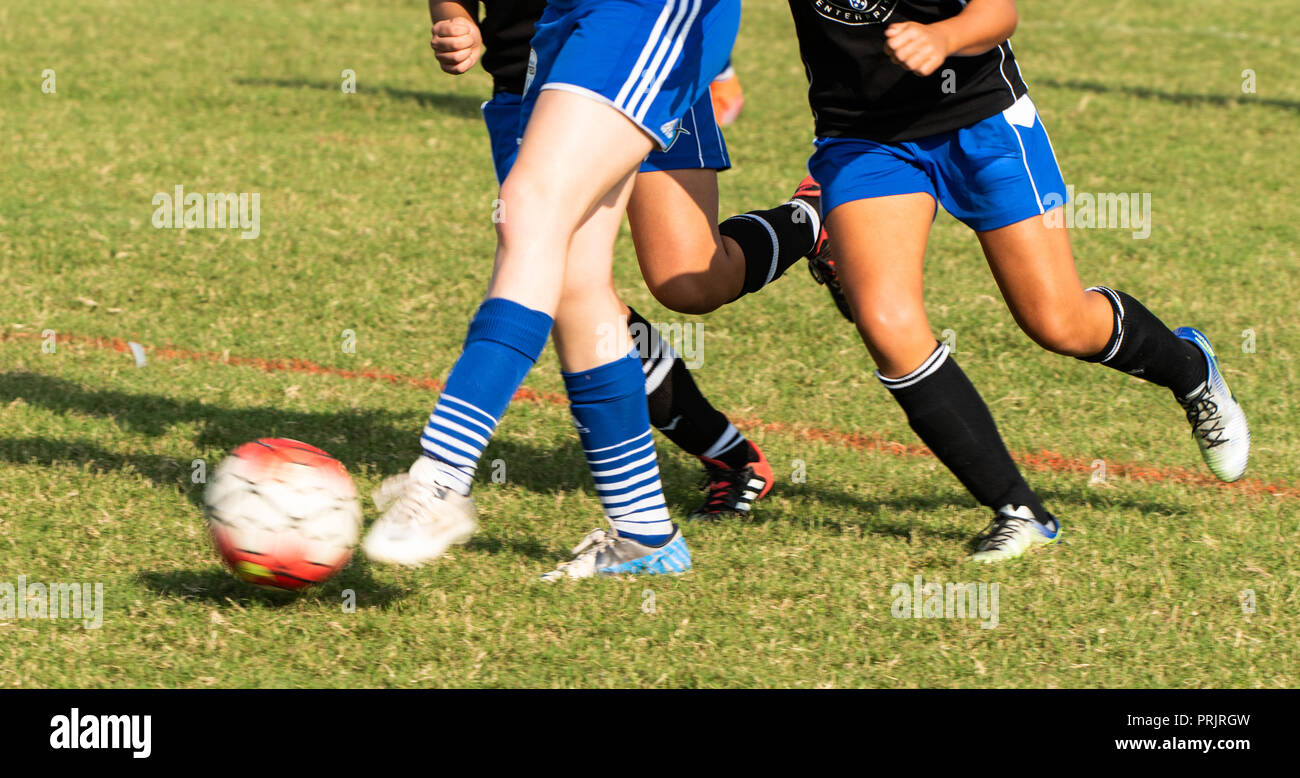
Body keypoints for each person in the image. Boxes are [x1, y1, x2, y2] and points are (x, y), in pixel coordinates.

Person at [785, 0, 1250, 562]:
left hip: (978, 118)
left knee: (1057, 322)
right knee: (886, 325)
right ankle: (1018, 509)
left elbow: (998, 12)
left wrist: (945, 36)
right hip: (861, 137)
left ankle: (1191, 369)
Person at [363, 0, 756, 579]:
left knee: (531, 210)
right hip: (556, 27)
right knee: (575, 280)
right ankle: (644, 535)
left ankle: (441, 477)